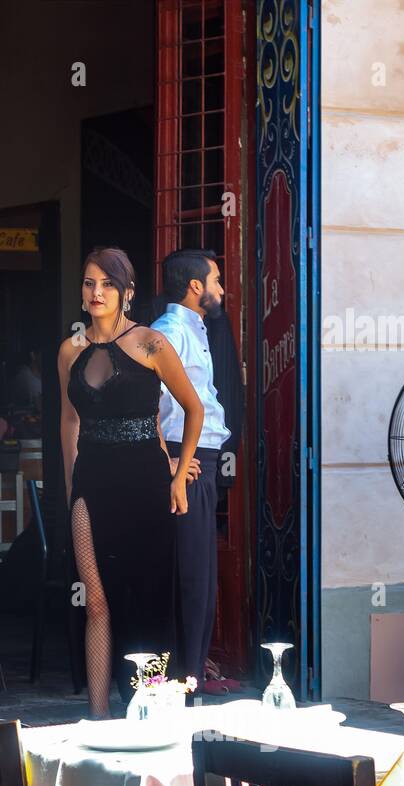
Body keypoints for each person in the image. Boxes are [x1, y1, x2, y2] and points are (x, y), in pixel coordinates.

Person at [57, 247, 204, 718]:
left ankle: (151, 710)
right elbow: (69, 422)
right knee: (95, 601)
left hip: (145, 483)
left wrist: (178, 477)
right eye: (88, 283)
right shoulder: (70, 350)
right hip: (92, 482)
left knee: (148, 599)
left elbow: (194, 408)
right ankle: (98, 718)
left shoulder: (151, 343)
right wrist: (70, 488)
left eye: (106, 284)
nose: (96, 292)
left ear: (126, 292)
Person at [152, 249, 232, 686]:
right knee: (188, 575)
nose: (221, 289)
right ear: (196, 286)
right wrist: (170, 463)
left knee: (199, 573)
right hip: (190, 460)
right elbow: (151, 403)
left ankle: (191, 672)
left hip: (201, 458)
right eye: (216, 280)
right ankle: (180, 678)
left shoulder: (193, 330)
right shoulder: (168, 332)